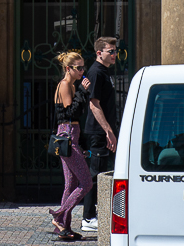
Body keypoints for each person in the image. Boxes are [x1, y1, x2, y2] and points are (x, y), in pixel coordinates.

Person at [79, 36, 120, 235]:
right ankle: (87, 218)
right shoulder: (96, 73)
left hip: (104, 132)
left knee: (104, 174)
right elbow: (94, 105)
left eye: (115, 51)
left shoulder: (105, 72)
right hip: (98, 133)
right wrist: (108, 132)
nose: (114, 54)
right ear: (99, 53)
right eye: (110, 51)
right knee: (95, 176)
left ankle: (97, 213)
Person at [49, 51, 91, 240]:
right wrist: (82, 91)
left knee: (71, 184)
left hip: (70, 135)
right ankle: (60, 215)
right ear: (68, 69)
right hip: (67, 136)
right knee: (86, 183)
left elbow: (78, 112)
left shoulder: (71, 85)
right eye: (78, 68)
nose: (82, 71)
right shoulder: (65, 85)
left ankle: (63, 228)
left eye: (83, 67)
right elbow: (71, 113)